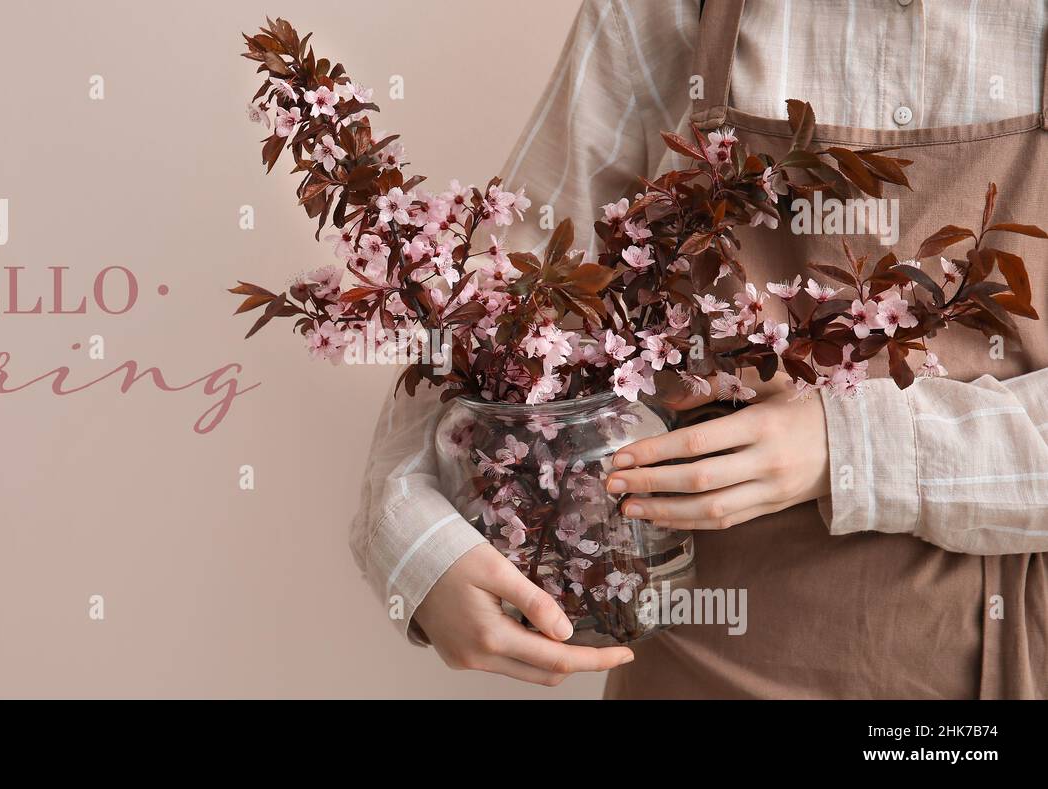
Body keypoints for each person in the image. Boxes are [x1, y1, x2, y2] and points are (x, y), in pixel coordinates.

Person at [350, 0, 1048, 698]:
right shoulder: (669, 11)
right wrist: (419, 548)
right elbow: (513, 299)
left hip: (1013, 647)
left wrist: (850, 443)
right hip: (703, 650)